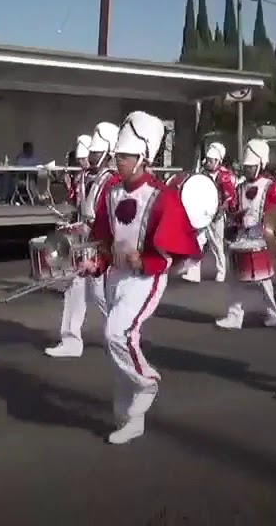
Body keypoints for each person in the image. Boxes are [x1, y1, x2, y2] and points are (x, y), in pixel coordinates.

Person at [90, 111, 200, 444]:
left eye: (124, 156)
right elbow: (103, 238)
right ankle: (129, 418)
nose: (118, 160)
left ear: (143, 158)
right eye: (118, 155)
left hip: (145, 279)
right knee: (117, 348)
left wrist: (146, 260)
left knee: (117, 333)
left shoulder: (161, 197)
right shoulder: (110, 193)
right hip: (115, 277)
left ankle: (147, 379)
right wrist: (94, 261)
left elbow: (174, 248)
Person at [46, 124, 119, 358]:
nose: (92, 157)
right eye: (92, 152)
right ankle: (70, 340)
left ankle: (119, 336)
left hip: (99, 243)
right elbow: (79, 207)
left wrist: (89, 229)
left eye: (97, 153)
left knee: (100, 294)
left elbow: (108, 217)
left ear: (109, 153)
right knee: (73, 288)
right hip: (82, 240)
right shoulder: (84, 177)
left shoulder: (112, 181)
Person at [214, 139, 276, 330]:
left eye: (251, 166)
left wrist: (266, 223)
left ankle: (275, 313)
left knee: (263, 281)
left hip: (261, 239)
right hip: (242, 239)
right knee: (235, 280)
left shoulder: (271, 186)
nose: (247, 170)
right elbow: (235, 210)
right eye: (245, 166)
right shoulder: (239, 187)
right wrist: (233, 219)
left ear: (261, 165)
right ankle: (234, 316)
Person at [180, 143, 237, 283]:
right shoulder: (202, 175)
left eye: (212, 160)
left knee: (217, 245)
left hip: (216, 217)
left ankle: (221, 271)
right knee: (197, 242)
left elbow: (229, 197)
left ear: (218, 161)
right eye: (208, 160)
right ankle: (194, 273)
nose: (209, 163)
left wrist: (220, 211)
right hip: (202, 215)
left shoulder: (224, 176)